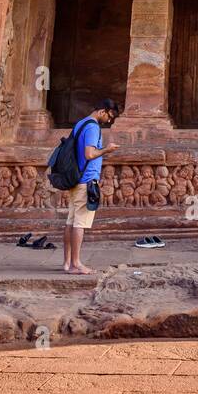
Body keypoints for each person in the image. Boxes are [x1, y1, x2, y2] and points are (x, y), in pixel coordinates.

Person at [63, 98, 119, 274]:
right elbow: (89, 154)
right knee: (80, 223)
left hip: (75, 178)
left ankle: (67, 263)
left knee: (71, 222)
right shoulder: (93, 127)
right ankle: (76, 264)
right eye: (109, 116)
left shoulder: (81, 123)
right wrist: (106, 150)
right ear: (102, 111)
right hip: (85, 180)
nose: (109, 121)